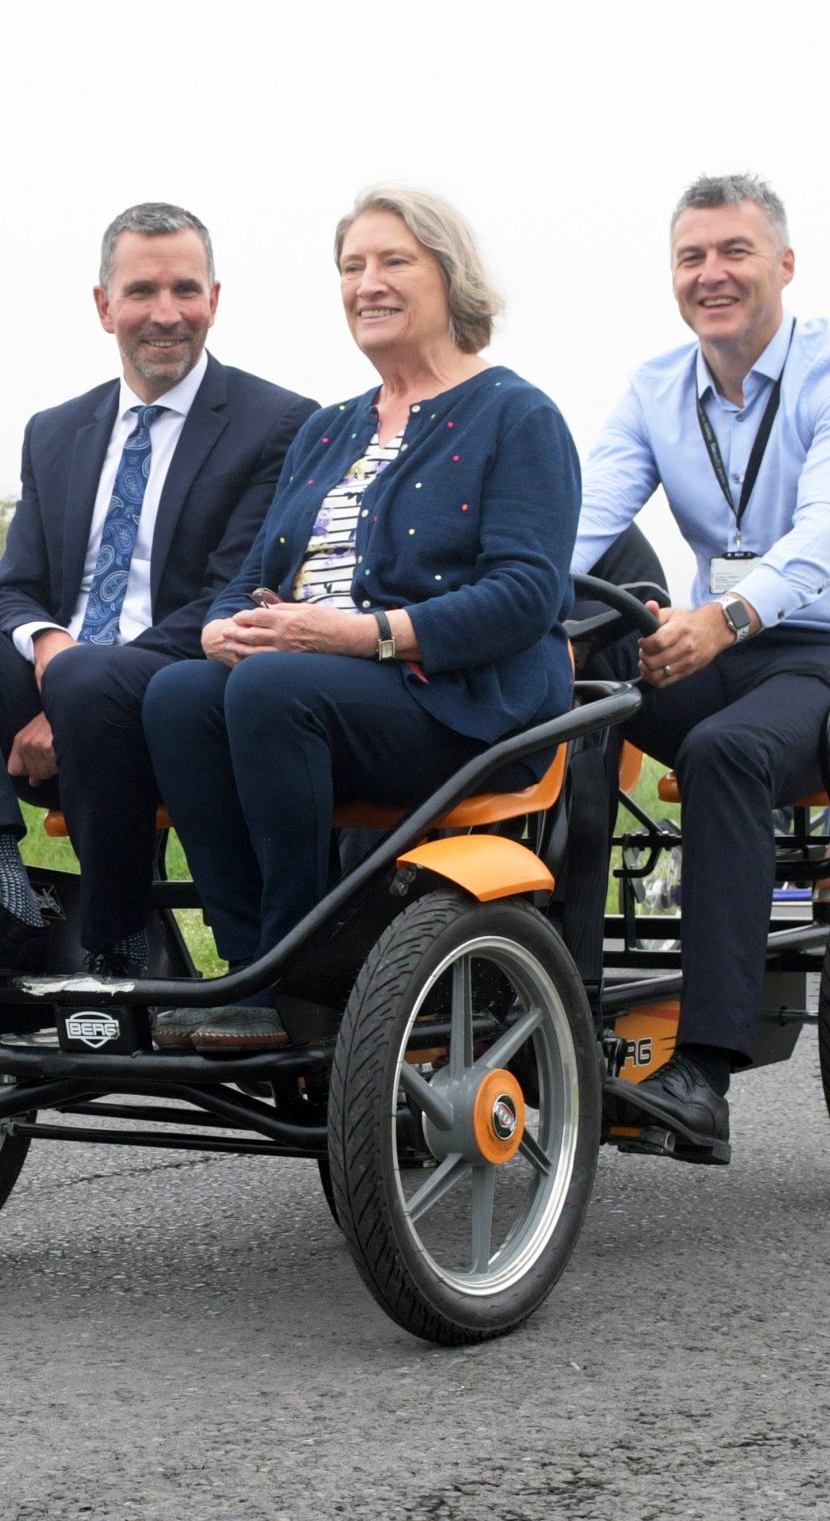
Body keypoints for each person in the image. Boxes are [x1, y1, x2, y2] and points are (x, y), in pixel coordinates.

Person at [143, 187, 581, 1053]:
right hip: (313, 684)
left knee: (273, 687)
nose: (367, 284)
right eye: (352, 267)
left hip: (464, 701)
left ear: (449, 278)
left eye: (393, 262)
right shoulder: (328, 428)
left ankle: (305, 976)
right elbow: (254, 574)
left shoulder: (517, 416)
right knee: (177, 696)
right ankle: (252, 976)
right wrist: (220, 627)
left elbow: (529, 594)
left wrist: (364, 635)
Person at [571, 173, 830, 1163]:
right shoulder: (653, 389)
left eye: (733, 252)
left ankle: (702, 1074)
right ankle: (559, 989)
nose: (711, 274)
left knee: (727, 753)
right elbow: (583, 524)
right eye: (691, 257)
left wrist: (723, 617)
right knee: (569, 704)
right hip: (721, 647)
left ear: (782, 264)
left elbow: (828, 530)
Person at [0, 202, 311, 981]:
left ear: (216, 297)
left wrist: (78, 687)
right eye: (142, 291)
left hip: (173, 697)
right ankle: (1, 888)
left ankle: (119, 939)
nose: (166, 314)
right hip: (57, 683)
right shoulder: (56, 430)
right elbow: (13, 590)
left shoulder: (275, 423)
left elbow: (227, 600)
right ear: (104, 305)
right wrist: (52, 650)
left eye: (186, 289)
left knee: (88, 675)